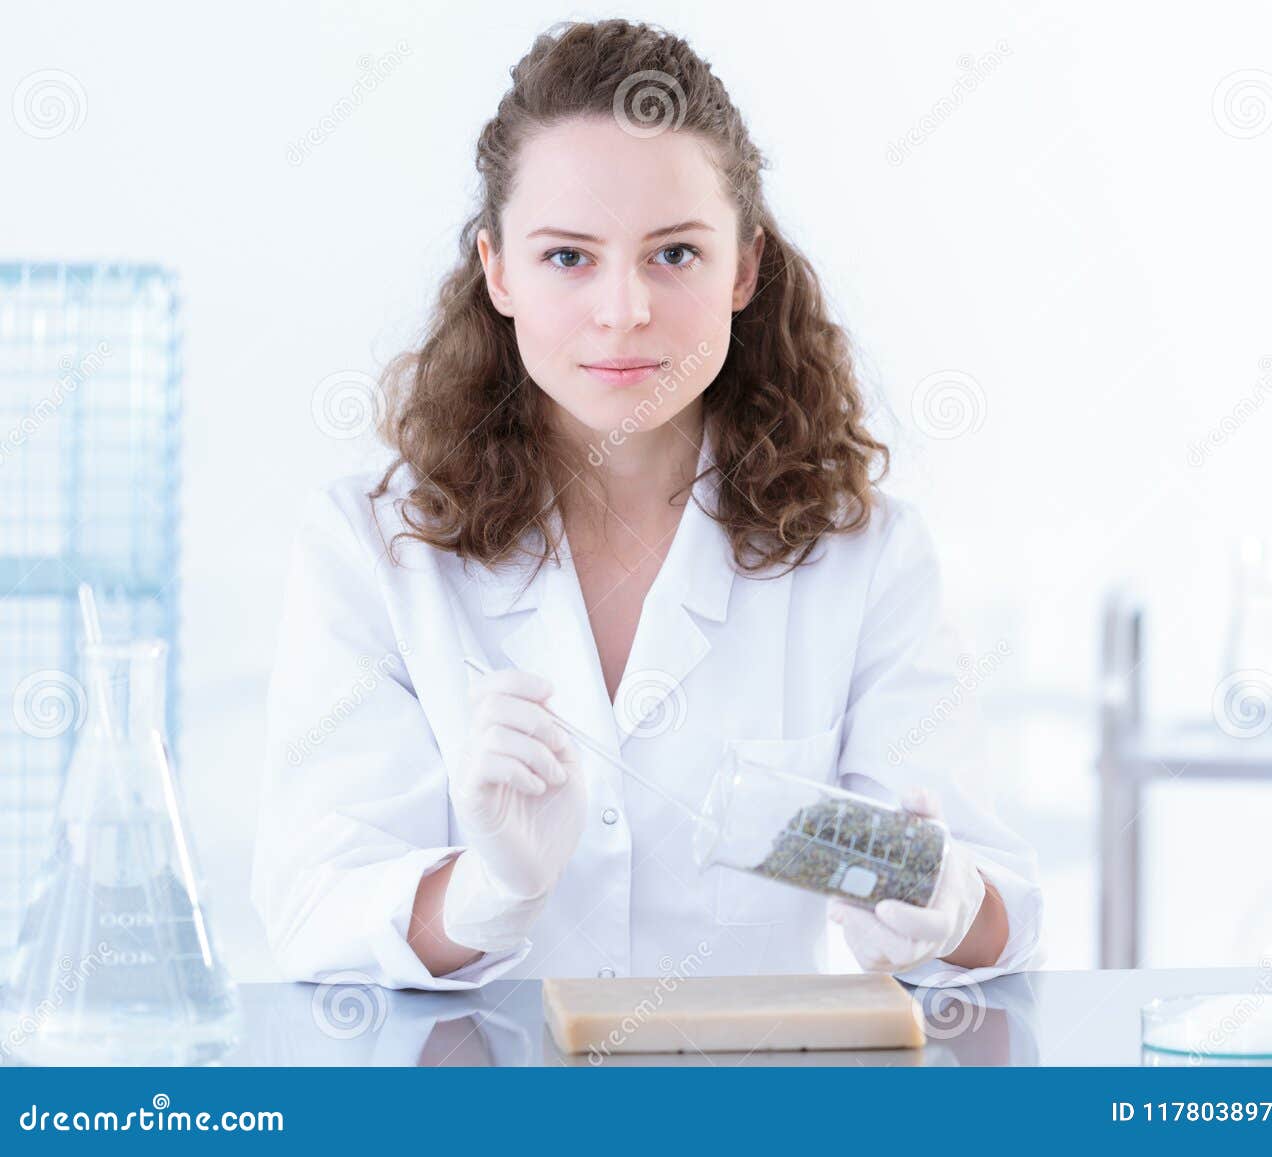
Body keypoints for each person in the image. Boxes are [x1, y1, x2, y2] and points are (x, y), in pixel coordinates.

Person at [251, 18, 1042, 991]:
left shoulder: (863, 555)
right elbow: (312, 908)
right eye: (567, 256)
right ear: (496, 269)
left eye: (673, 254)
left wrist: (943, 903)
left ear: (744, 268)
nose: (622, 308)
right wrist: (488, 888)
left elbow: (1001, 916)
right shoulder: (373, 548)